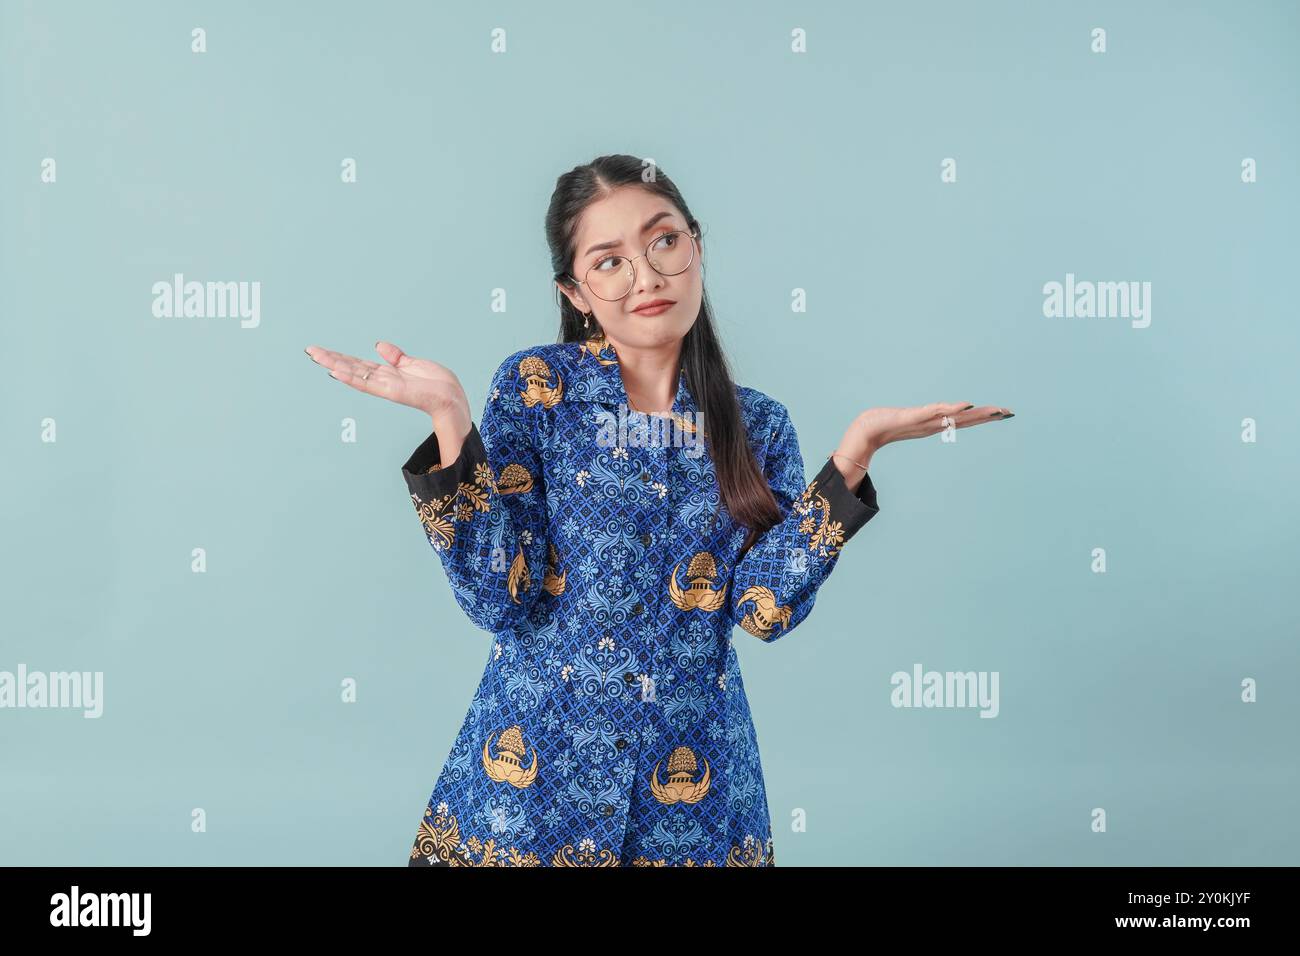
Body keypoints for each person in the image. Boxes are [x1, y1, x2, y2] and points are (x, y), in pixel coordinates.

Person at [304, 154, 1014, 866]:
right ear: (576, 292)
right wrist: (452, 420)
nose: (645, 276)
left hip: (690, 791)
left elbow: (763, 611)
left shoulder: (757, 425)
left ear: (696, 247)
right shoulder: (536, 390)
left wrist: (856, 453)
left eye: (663, 241)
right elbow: (499, 596)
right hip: (529, 782)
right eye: (608, 261)